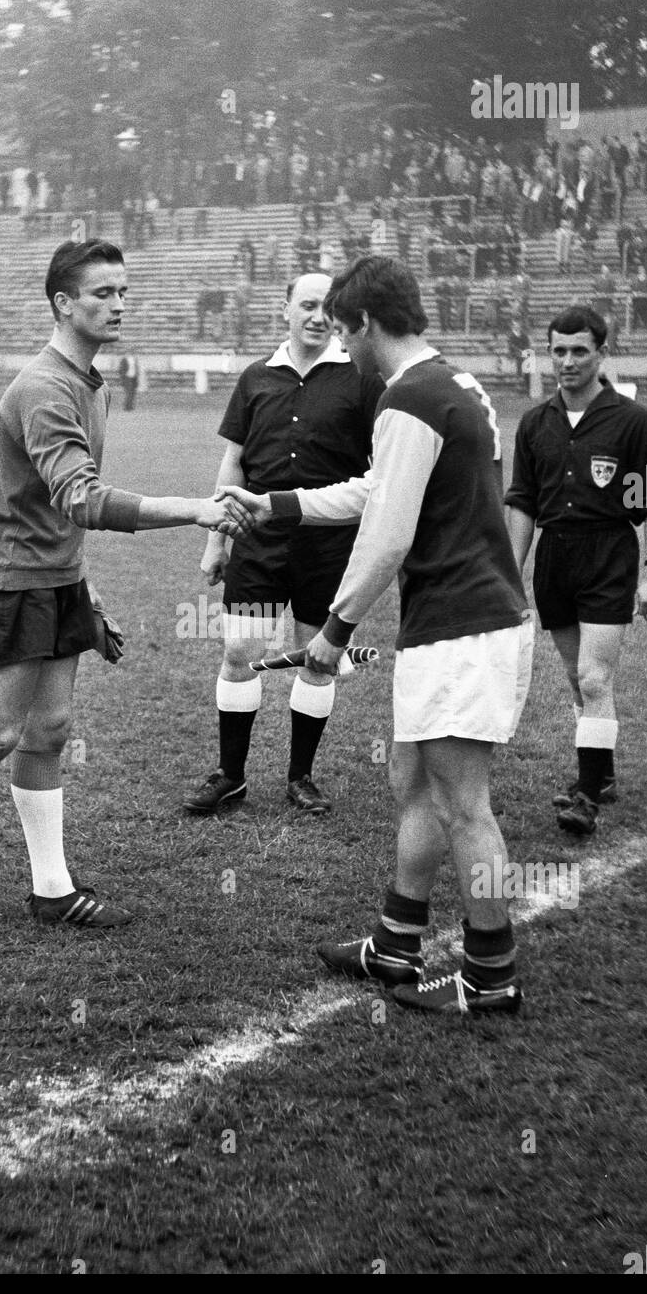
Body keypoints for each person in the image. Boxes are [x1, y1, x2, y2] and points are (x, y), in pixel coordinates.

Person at [0, 239, 250, 945]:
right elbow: (80, 500)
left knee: (51, 731)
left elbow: (55, 511)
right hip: (10, 583)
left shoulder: (89, 382)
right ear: (64, 303)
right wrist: (193, 507)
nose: (118, 304)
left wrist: (82, 592)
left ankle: (52, 890)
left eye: (123, 292)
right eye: (102, 293)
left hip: (58, 581)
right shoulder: (43, 388)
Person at [219, 257, 533, 1016]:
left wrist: (332, 632)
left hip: (463, 626)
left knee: (464, 802)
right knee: (412, 782)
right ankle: (397, 942)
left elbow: (387, 535)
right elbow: (380, 490)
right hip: (464, 621)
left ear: (363, 324)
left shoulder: (407, 398)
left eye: (341, 325)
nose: (337, 341)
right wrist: (280, 504)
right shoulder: (452, 385)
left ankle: (492, 977)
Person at [185, 272, 384, 817]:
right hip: (258, 542)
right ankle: (230, 776)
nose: (318, 317)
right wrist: (216, 540)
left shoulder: (362, 379)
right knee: (239, 652)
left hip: (331, 547)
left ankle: (301, 777)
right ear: (287, 309)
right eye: (308, 305)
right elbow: (235, 462)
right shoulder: (255, 378)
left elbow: (378, 470)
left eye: (328, 308)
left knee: (317, 660)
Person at [505, 306, 647, 835]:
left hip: (608, 556)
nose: (568, 361)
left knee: (595, 677)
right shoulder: (535, 422)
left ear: (603, 352)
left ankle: (585, 797)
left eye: (580, 350)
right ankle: (600, 775)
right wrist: (511, 572)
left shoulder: (634, 421)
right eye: (559, 350)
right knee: (579, 683)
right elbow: (523, 504)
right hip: (555, 558)